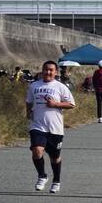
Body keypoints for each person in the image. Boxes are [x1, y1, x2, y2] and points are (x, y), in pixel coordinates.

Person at [25, 59, 75, 194]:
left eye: (51, 70)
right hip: (38, 125)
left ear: (55, 72)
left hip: (55, 127)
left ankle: (56, 181)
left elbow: (71, 104)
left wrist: (55, 105)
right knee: (37, 151)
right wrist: (28, 112)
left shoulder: (60, 87)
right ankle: (42, 175)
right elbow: (29, 101)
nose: (48, 72)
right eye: (46, 69)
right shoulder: (34, 86)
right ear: (42, 70)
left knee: (55, 157)